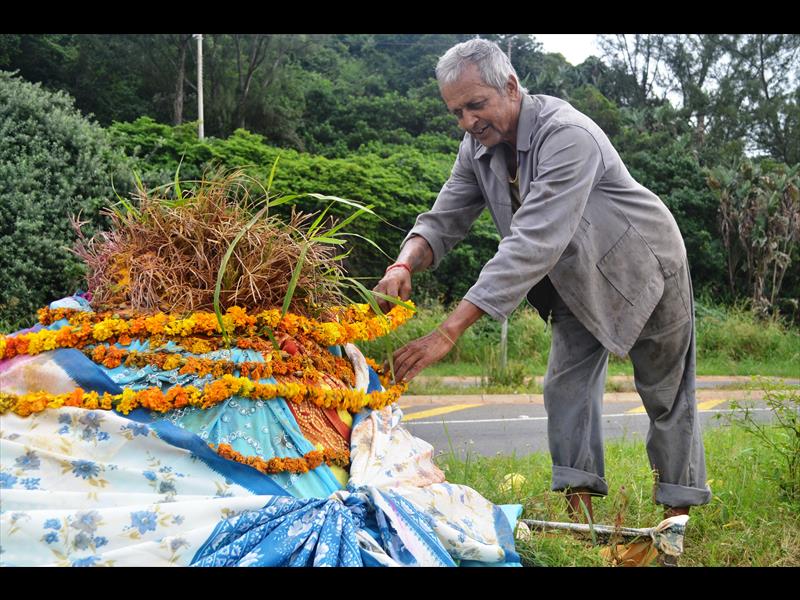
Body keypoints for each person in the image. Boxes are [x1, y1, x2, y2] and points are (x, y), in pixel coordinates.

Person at [373, 38, 712, 522]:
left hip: (644, 266)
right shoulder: (477, 148)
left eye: (476, 105)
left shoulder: (568, 134)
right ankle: (580, 517)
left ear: (510, 86)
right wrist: (403, 263)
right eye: (457, 112)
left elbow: (532, 241)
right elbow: (443, 217)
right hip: (573, 276)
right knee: (565, 388)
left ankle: (676, 515)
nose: (468, 121)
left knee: (665, 391)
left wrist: (449, 330)